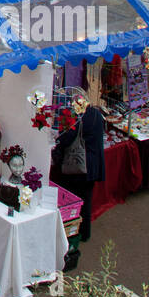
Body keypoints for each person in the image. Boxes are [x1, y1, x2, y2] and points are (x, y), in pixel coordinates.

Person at [54, 91, 105, 242]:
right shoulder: (96, 114)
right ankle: (85, 232)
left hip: (78, 165)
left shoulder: (77, 118)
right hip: (93, 164)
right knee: (86, 200)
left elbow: (66, 139)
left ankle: (72, 233)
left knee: (73, 201)